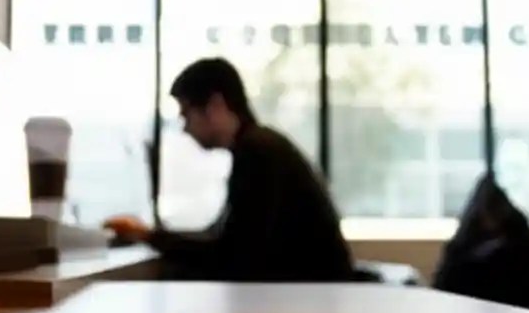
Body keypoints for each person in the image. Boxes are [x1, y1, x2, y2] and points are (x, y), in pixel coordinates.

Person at [103, 57, 355, 282]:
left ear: (214, 105)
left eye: (186, 115)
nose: (185, 128)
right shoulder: (261, 145)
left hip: (308, 295)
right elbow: (227, 242)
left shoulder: (257, 153)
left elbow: (233, 256)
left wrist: (148, 237)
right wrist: (150, 235)